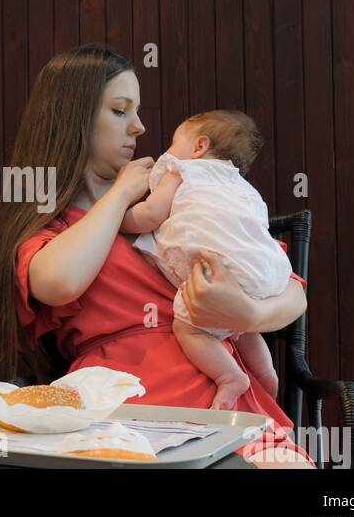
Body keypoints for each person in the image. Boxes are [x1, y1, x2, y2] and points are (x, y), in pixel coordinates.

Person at [0, 44, 315, 468]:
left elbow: (289, 288)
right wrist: (121, 193)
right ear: (73, 117)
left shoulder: (180, 198)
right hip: (122, 408)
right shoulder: (58, 228)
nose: (140, 127)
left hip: (218, 394)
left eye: (137, 111)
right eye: (120, 110)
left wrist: (249, 313)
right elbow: (58, 282)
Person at [121, 110, 291, 411]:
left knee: (189, 327)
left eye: (174, 142)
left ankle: (230, 376)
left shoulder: (180, 169)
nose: (168, 150)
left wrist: (117, 216)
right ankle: (267, 372)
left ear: (199, 146)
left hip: (213, 268)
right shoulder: (241, 186)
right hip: (268, 272)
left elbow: (150, 214)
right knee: (245, 326)